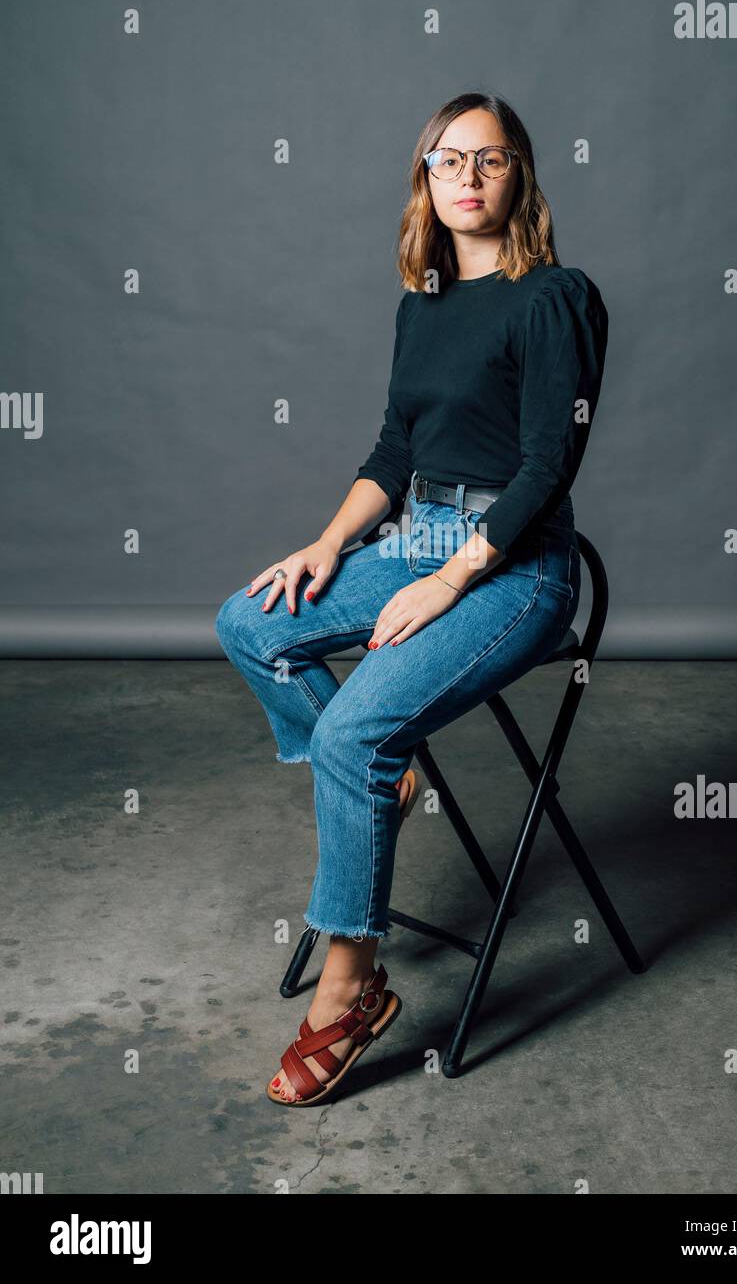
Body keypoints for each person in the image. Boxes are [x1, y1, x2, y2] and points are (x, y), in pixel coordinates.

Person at [214, 90, 608, 1105]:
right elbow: (394, 450)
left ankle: (349, 992)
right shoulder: (419, 304)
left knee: (354, 732)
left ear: (518, 174)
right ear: (423, 180)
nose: (466, 180)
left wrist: (448, 575)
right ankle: (369, 781)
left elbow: (544, 466)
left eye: (488, 161)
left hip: (512, 569)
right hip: (409, 534)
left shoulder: (553, 296)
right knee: (251, 619)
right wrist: (328, 540)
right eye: (446, 162)